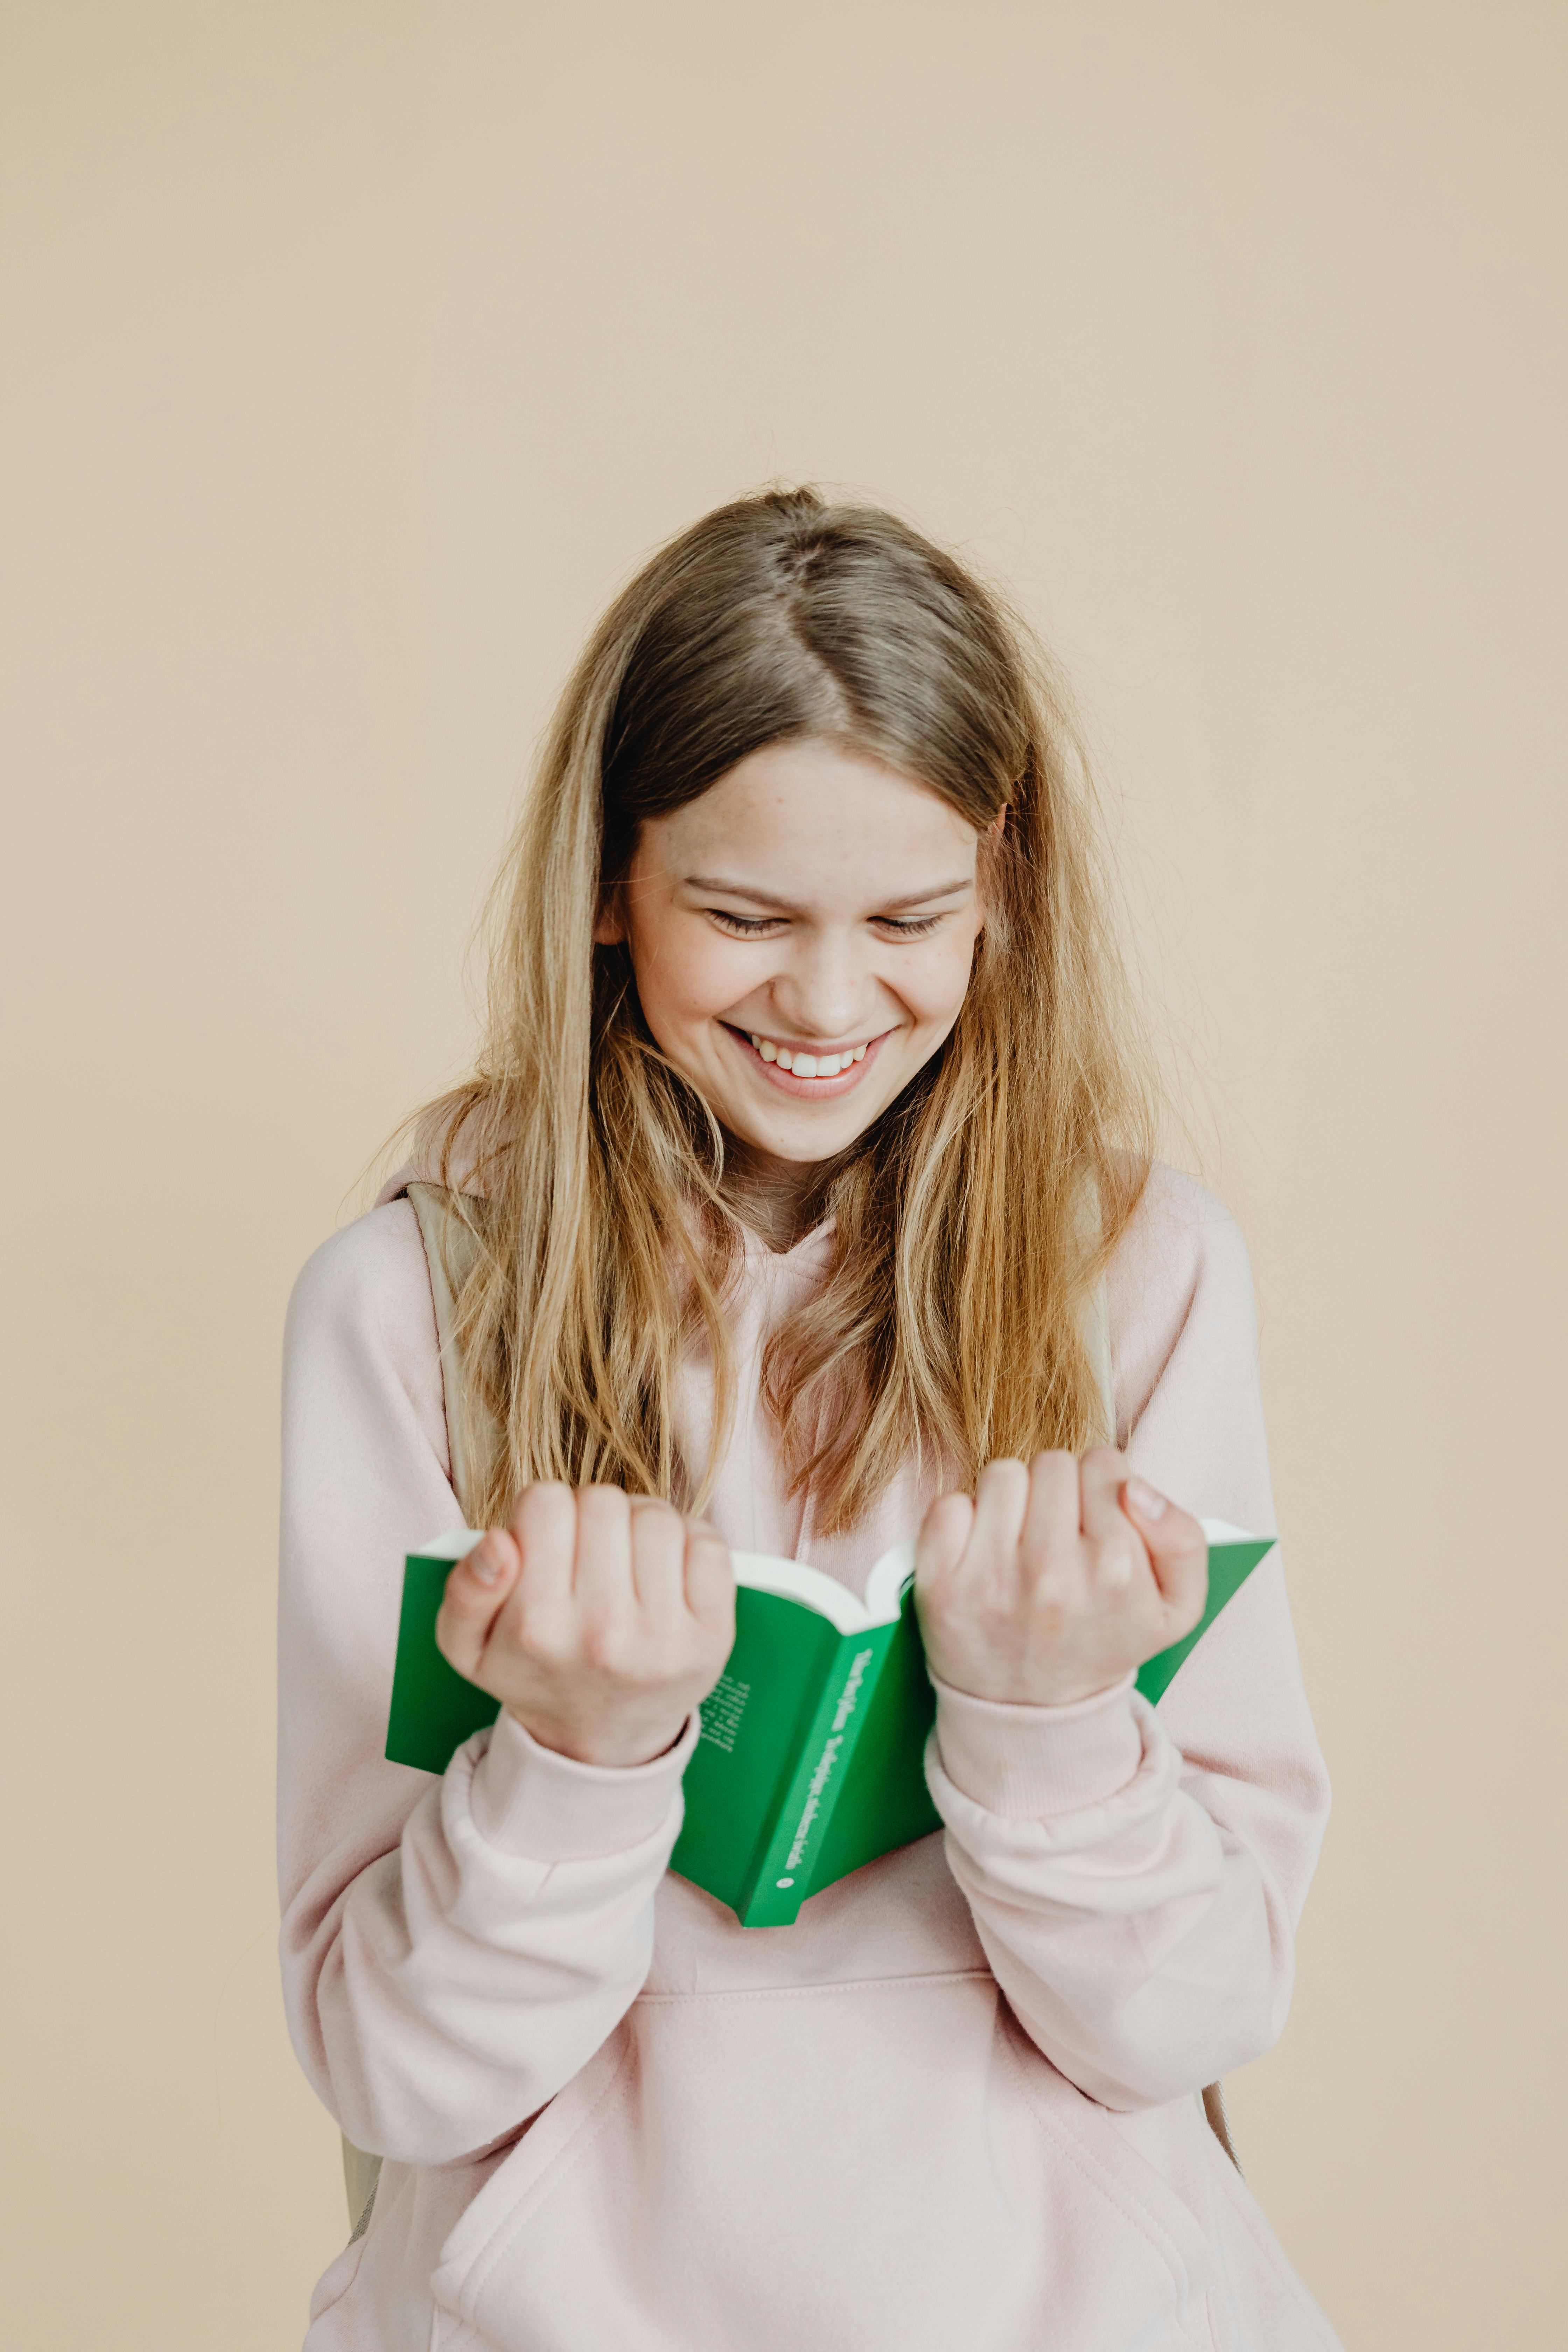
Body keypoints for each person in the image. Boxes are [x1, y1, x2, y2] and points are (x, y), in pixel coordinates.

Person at [278, 486, 1338, 2350]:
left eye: (910, 918)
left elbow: (1192, 2017)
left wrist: (1050, 1726)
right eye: (744, 916)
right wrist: (577, 1757)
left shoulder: (1141, 1272)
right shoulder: (410, 1307)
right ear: (608, 887)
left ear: (1002, 888)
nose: (832, 998)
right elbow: (392, 2071)